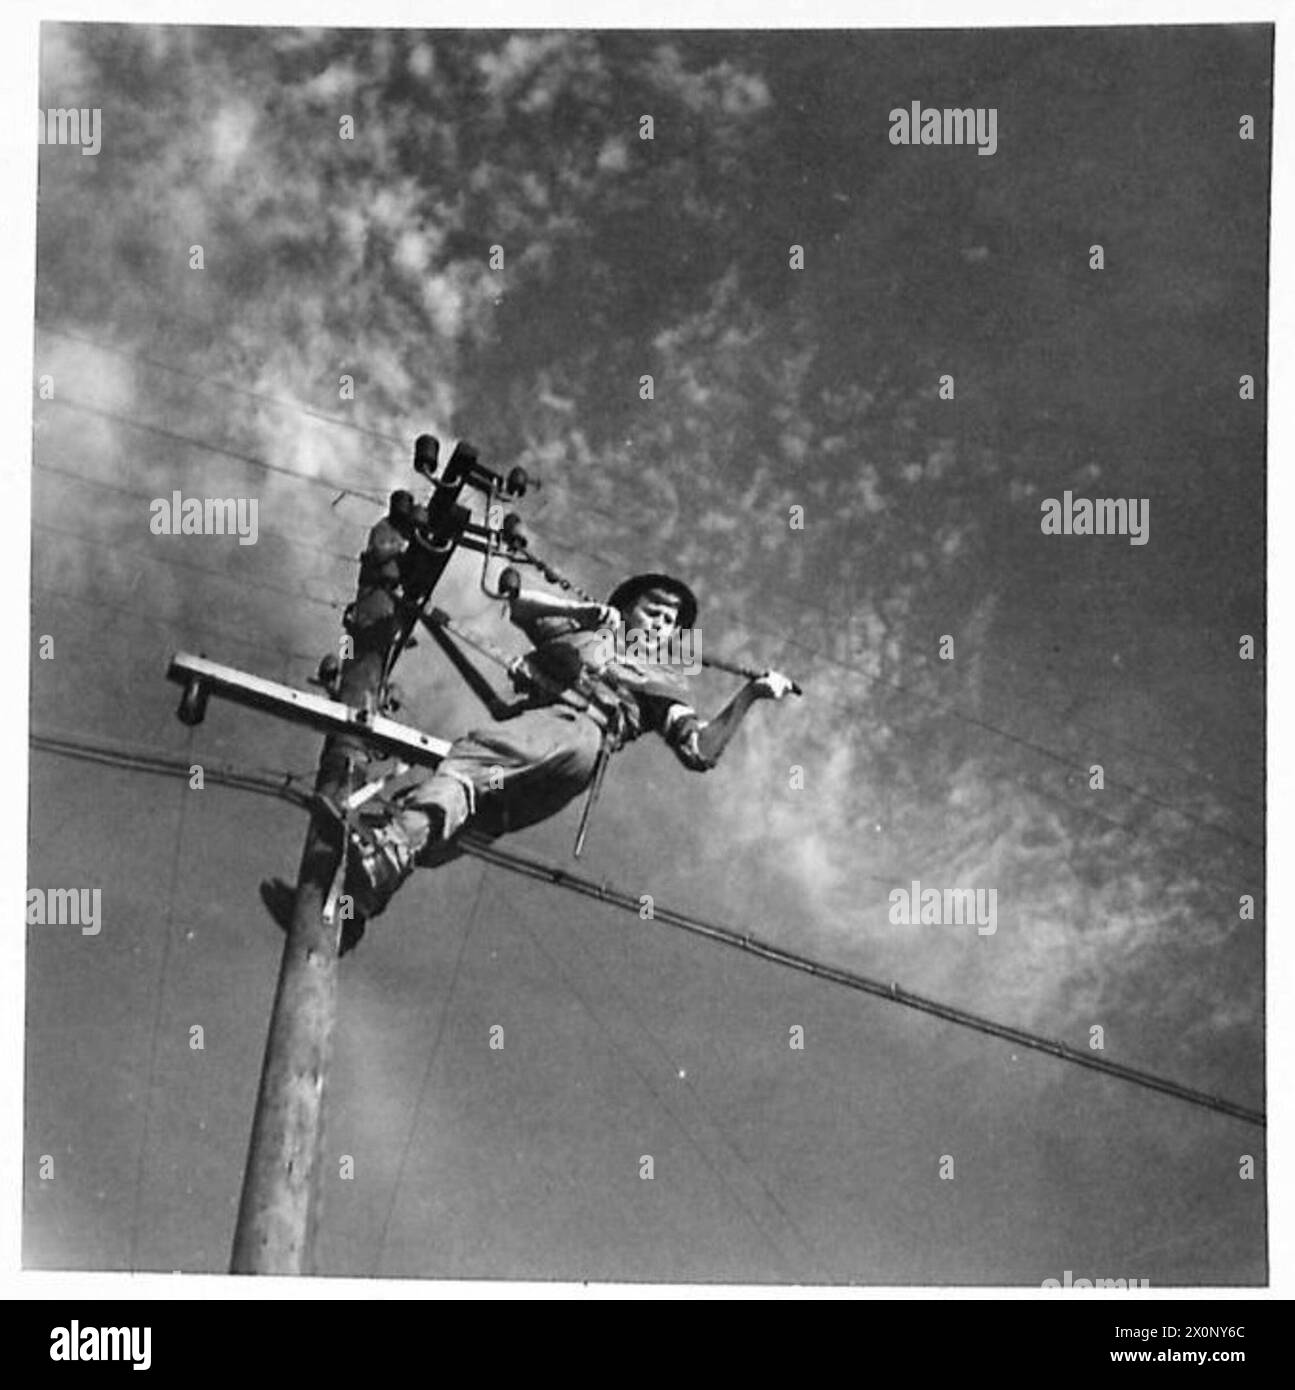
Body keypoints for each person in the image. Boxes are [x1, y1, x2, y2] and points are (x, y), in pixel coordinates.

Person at [262, 571, 793, 950]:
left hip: (571, 735)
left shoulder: (659, 680)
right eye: (653, 609)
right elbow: (520, 606)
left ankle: (386, 855)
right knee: (443, 821)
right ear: (626, 606)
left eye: (671, 621)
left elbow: (699, 750)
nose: (660, 623)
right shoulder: (589, 635)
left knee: (468, 765)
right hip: (550, 779)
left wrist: (750, 695)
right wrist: (580, 611)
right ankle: (345, 912)